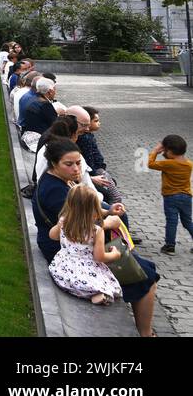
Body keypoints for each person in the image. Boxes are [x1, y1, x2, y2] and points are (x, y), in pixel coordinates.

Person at [32, 138, 158, 336]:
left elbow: (81, 212)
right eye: (69, 164)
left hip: (74, 244)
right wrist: (110, 223)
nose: (76, 169)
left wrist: (107, 212)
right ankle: (146, 333)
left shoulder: (58, 180)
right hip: (68, 251)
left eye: (78, 163)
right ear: (54, 163)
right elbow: (78, 227)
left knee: (146, 268)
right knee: (146, 277)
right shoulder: (56, 191)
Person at [48, 183, 125, 305]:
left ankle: (76, 287)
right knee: (103, 283)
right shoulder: (96, 230)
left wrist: (59, 226)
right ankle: (96, 294)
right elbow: (99, 257)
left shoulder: (64, 221)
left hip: (62, 266)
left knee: (78, 280)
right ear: (93, 210)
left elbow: (52, 236)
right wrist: (115, 254)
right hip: (86, 267)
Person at [148, 135, 193, 254]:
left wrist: (156, 151)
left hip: (171, 197)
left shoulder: (168, 163)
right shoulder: (189, 164)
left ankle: (170, 246)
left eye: (166, 150)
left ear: (170, 151)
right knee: (187, 221)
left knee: (172, 221)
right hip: (187, 197)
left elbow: (150, 164)